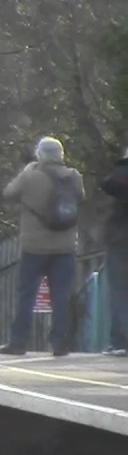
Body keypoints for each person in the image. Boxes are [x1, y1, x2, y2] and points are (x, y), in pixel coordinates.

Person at [0, 136, 85, 356]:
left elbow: (8, 193)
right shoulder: (74, 176)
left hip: (34, 247)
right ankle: (60, 344)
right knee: (61, 295)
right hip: (65, 248)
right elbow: (80, 198)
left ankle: (18, 342)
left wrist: (27, 170)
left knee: (26, 295)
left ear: (41, 154)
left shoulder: (30, 176)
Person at [101, 147, 128, 356]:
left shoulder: (122, 172)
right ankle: (118, 338)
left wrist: (123, 162)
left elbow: (108, 184)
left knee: (119, 289)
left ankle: (122, 340)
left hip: (121, 237)